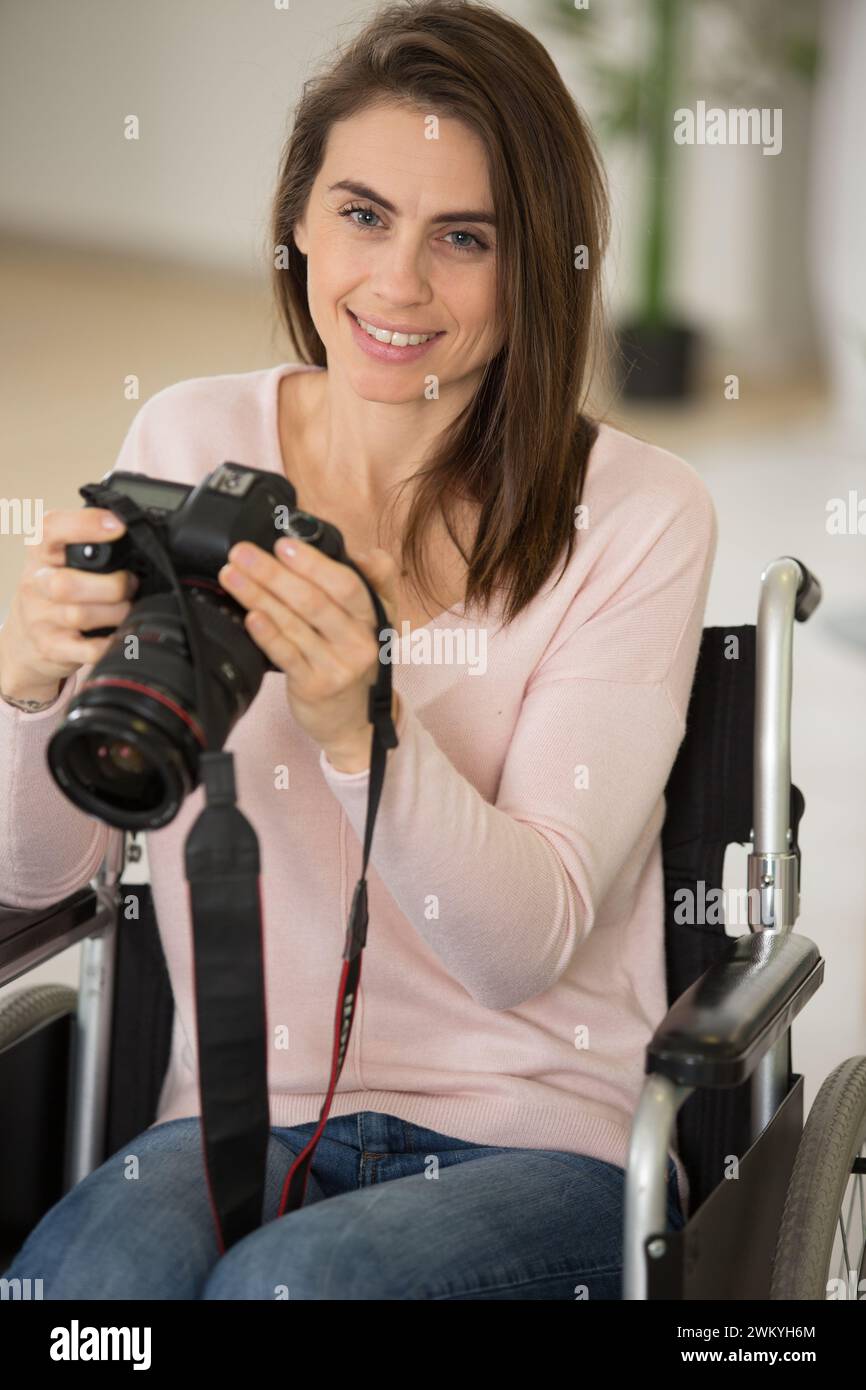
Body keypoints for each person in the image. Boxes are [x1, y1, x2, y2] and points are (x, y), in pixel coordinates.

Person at [0, 0, 713, 1300]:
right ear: (299, 219)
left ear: (539, 262)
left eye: (463, 237)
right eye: (363, 213)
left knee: (294, 1288)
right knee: (71, 1301)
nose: (395, 283)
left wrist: (358, 727)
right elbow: (42, 872)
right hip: (225, 1117)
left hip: (543, 1137)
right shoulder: (189, 442)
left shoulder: (634, 511)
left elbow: (520, 948)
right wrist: (28, 689)